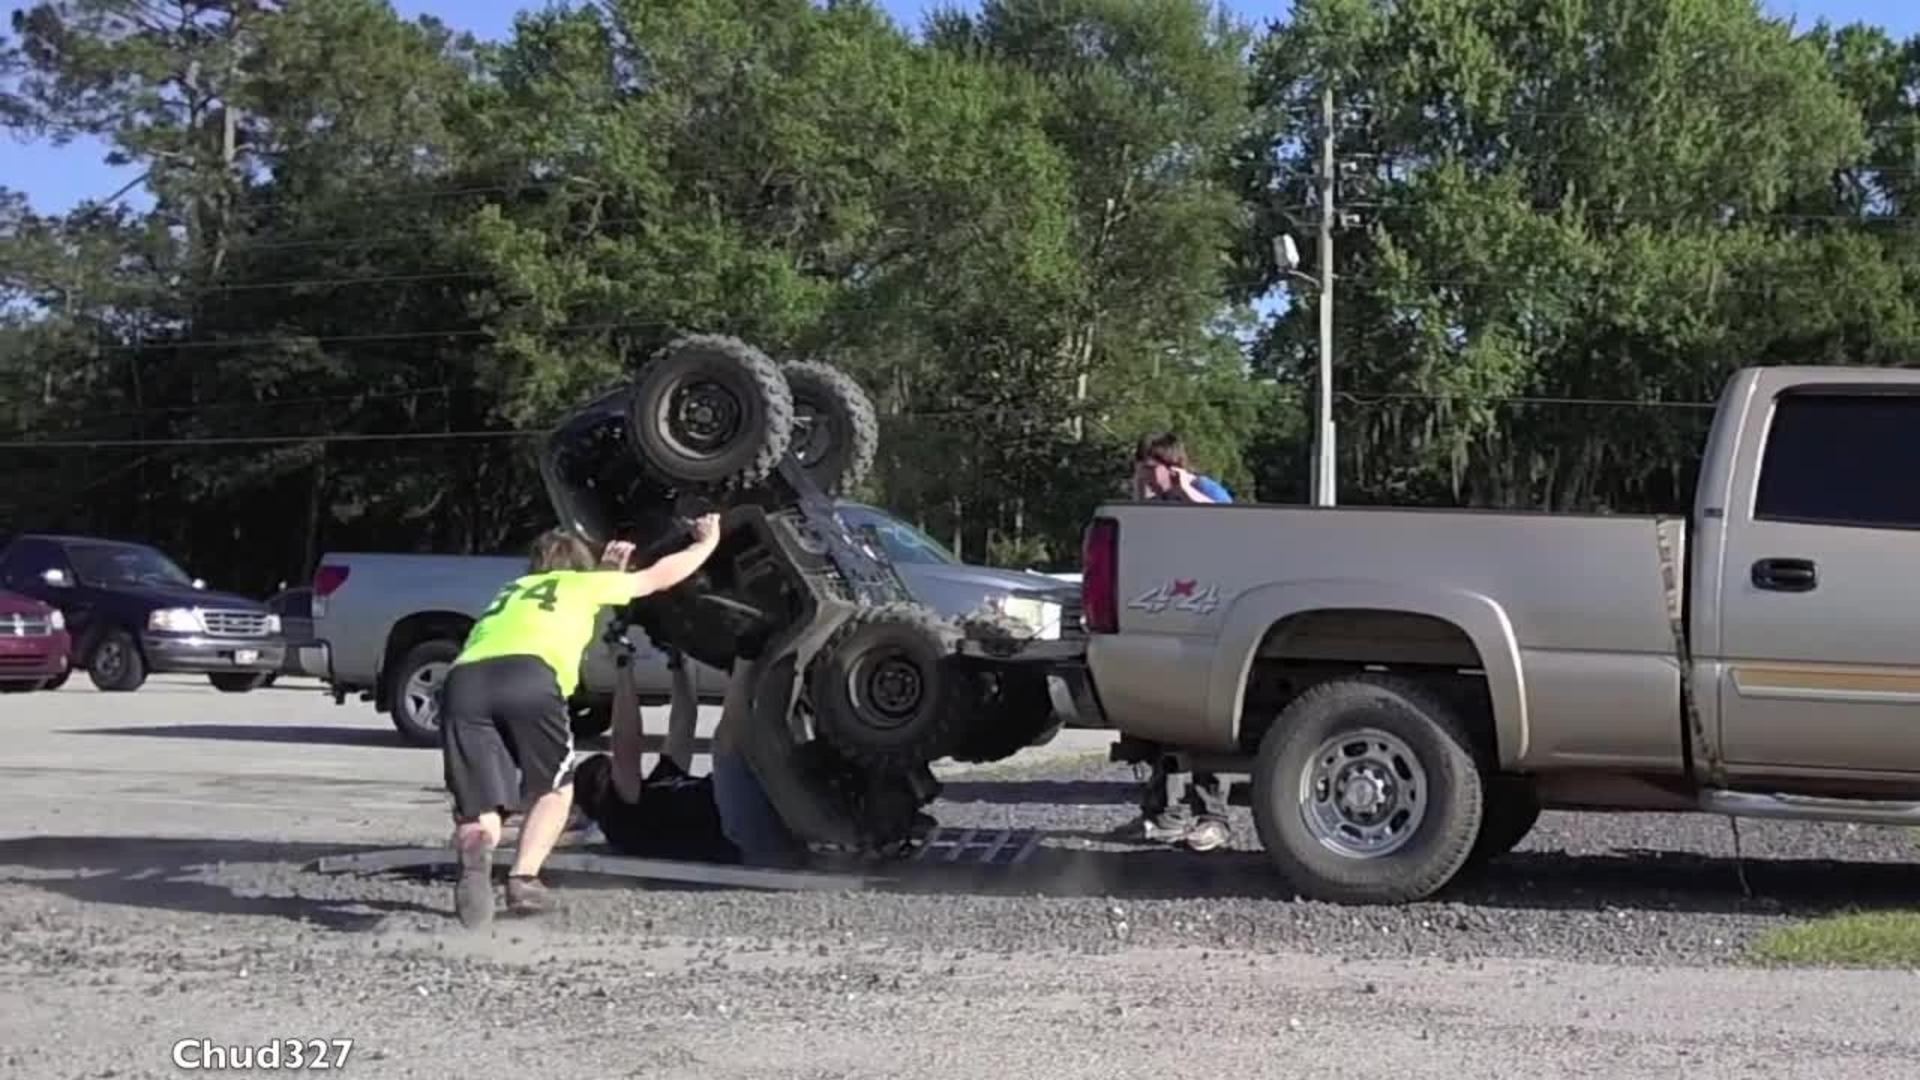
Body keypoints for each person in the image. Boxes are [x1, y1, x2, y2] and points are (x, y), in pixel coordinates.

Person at [441, 518, 722, 928]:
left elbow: (566, 598)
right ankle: (524, 880)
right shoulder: (582, 585)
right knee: (555, 789)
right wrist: (704, 546)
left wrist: (604, 574)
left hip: (463, 681)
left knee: (480, 803)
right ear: (581, 567)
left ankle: (477, 844)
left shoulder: (512, 591)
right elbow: (657, 578)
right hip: (530, 677)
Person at [1121, 432, 1233, 851]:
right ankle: (1162, 814)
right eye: (1141, 469)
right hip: (1162, 619)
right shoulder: (1150, 505)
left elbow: (1231, 527)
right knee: (1158, 724)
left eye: (1152, 469)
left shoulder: (1205, 491)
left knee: (1200, 728)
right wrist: (1141, 491)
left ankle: (1213, 818)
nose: (1147, 477)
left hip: (1204, 622)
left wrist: (1186, 490)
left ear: (1173, 466)